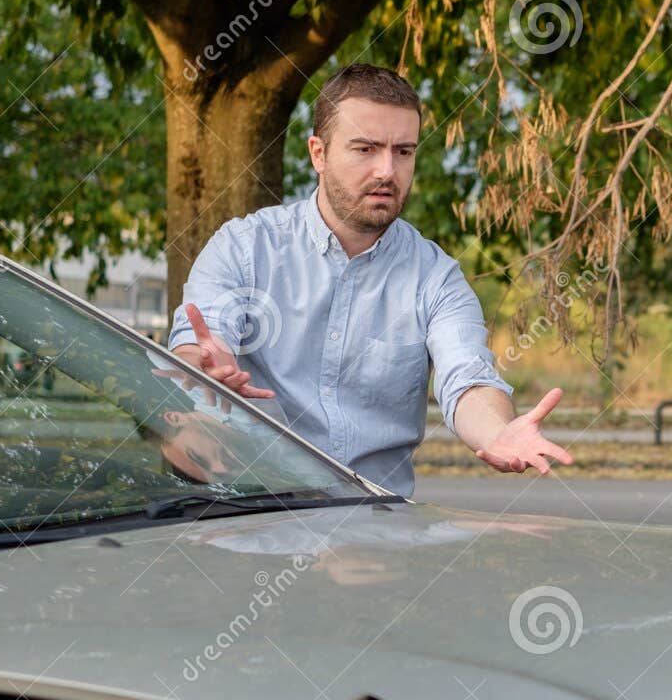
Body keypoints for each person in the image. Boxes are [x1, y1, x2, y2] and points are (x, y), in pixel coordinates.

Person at [167, 63, 571, 496]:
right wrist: (199, 367)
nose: (387, 171)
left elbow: (468, 377)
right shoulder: (244, 248)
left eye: (404, 151)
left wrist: (496, 432)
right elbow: (201, 341)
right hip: (249, 519)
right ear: (318, 153)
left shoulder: (437, 279)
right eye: (366, 149)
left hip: (372, 534)